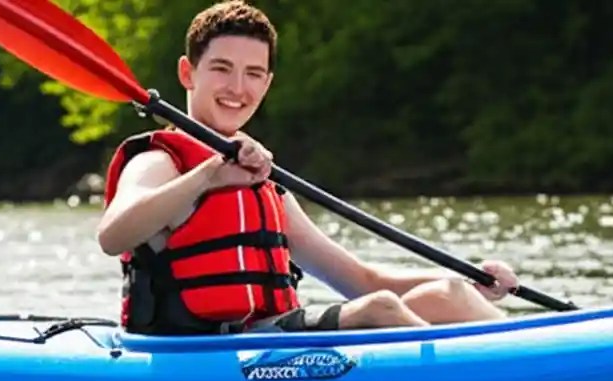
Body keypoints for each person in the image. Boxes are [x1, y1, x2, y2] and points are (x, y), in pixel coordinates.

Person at [97, 0, 521, 335]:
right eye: (222, 69)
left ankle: (529, 362)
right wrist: (208, 175)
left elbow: (360, 279)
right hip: (197, 353)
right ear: (188, 73)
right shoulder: (160, 160)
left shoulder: (262, 180)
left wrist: (470, 278)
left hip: (269, 337)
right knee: (380, 310)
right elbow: (113, 235)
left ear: (267, 82)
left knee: (449, 292)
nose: (238, 89)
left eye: (253, 73)